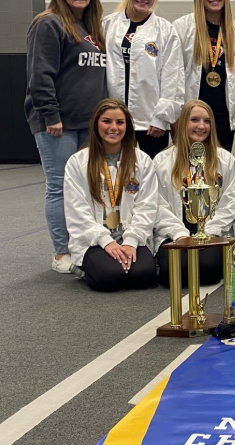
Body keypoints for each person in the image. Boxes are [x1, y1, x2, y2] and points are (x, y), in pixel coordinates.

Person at [26, 0, 108, 274]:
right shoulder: (49, 23)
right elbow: (40, 74)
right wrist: (50, 114)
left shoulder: (91, 27)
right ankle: (61, 252)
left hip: (88, 122)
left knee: (84, 189)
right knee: (59, 186)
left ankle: (82, 246)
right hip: (58, 123)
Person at [63, 99, 157, 292]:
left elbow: (147, 206)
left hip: (130, 234)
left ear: (127, 127)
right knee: (109, 278)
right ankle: (83, 267)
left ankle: (119, 261)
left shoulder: (142, 161)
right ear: (96, 124)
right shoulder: (77, 162)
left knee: (144, 275)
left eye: (120, 122)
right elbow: (77, 212)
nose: (113, 128)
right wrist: (106, 241)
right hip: (94, 239)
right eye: (107, 121)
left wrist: (131, 241)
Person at [152, 100, 235, 287]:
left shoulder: (225, 160)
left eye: (207, 121)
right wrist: (179, 234)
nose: (201, 126)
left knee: (208, 271)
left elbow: (229, 203)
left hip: (212, 234)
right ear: (183, 123)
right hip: (174, 234)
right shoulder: (162, 161)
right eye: (194, 120)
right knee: (174, 273)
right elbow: (158, 205)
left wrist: (209, 232)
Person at [102, 0, 184, 159]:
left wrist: (161, 118)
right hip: (114, 121)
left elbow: (173, 77)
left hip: (151, 122)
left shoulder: (165, 30)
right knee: (115, 173)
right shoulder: (107, 25)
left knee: (153, 175)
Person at [173, 0, 235, 151]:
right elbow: (173, 76)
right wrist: (175, 118)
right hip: (191, 117)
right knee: (188, 170)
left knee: (219, 170)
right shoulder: (182, 27)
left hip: (223, 118)